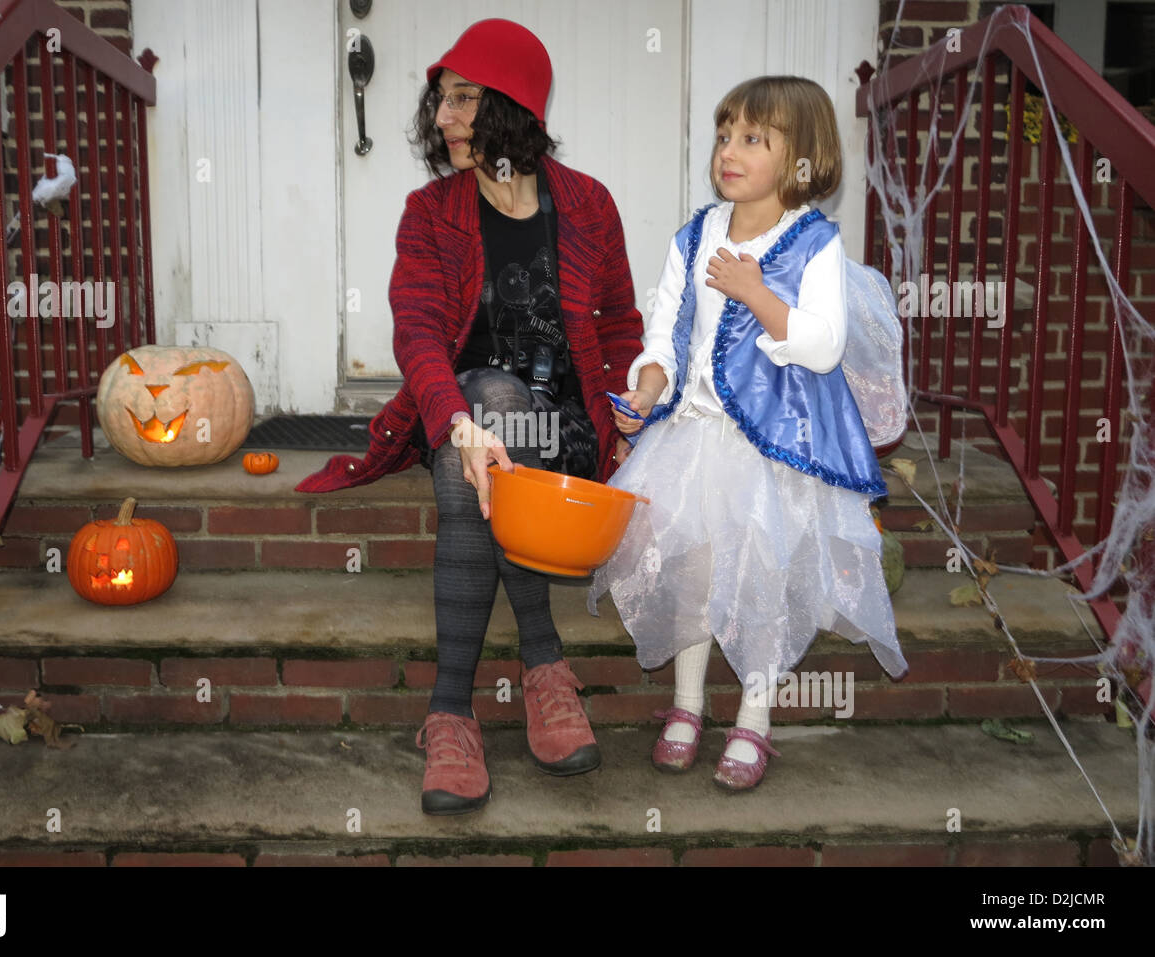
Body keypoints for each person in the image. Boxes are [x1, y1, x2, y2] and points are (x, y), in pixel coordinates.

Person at [297, 19, 643, 814]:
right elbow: (418, 331)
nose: (443, 117)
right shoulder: (431, 212)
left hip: (567, 423)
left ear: (513, 109)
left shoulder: (588, 205)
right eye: (441, 101)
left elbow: (620, 322)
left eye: (463, 100)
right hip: (465, 415)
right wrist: (456, 419)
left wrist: (632, 403)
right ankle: (532, 674)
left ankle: (453, 710)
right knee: (481, 437)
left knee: (496, 444)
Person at [588, 76, 908, 790]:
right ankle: (688, 704)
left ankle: (754, 719)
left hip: (774, 447)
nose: (729, 151)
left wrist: (757, 292)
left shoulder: (814, 243)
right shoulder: (696, 235)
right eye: (724, 135)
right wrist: (645, 389)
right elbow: (666, 333)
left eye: (753, 139)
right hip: (694, 438)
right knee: (696, 569)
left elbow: (822, 345)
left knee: (760, 577)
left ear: (802, 158)